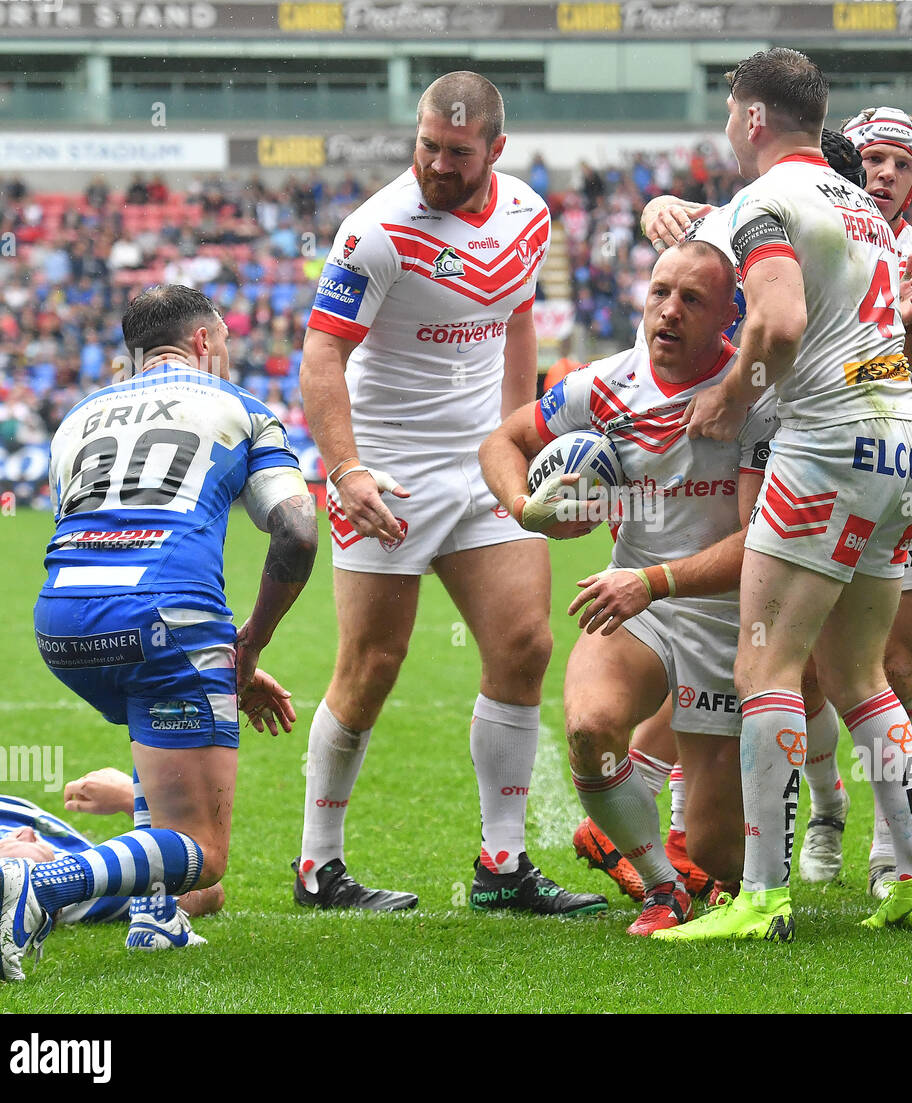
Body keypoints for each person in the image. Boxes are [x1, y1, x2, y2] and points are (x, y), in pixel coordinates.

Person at [659, 48, 912, 942]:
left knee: (766, 668)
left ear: (751, 119)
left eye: (729, 113)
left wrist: (730, 394)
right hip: (902, 445)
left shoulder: (766, 201)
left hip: (824, 444)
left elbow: (779, 320)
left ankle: (760, 895)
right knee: (862, 676)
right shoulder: (860, 204)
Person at [298, 71, 605, 916]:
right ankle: (318, 866)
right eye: (427, 145)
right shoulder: (376, 230)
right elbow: (321, 358)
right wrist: (347, 469)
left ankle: (502, 864)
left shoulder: (529, 215)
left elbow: (515, 316)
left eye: (456, 152)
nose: (436, 162)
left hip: (479, 468)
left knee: (524, 644)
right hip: (387, 470)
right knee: (371, 667)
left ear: (495, 150)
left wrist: (520, 438)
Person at [0, 284, 314, 982]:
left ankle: (156, 915)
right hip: (167, 614)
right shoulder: (241, 408)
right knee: (204, 851)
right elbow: (298, 531)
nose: (227, 356)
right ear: (202, 343)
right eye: (223, 343)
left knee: (155, 717)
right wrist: (243, 647)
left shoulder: (77, 416)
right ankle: (40, 884)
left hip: (62, 619)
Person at [571, 128, 869, 906]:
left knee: (837, 668)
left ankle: (835, 809)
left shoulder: (882, 250)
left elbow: (905, 358)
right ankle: (677, 829)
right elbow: (684, 228)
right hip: (784, 448)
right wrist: (663, 209)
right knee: (798, 663)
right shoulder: (763, 219)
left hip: (845, 448)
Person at [480, 240, 777, 935]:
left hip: (727, 615)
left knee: (719, 854)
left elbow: (758, 541)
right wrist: (528, 509)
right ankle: (661, 886)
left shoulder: (751, 396)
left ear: (729, 313)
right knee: (589, 726)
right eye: (658, 293)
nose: (668, 311)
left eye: (691, 299)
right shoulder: (605, 384)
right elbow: (501, 442)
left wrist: (654, 580)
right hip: (636, 601)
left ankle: (716, 851)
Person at [786, 107, 912, 894]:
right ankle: (826, 810)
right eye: (874, 159)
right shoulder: (811, 226)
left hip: (897, 472)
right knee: (804, 671)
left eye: (900, 164)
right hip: (806, 457)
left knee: (896, 666)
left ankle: (897, 851)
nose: (885, 173)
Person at [0, 768, 226, 944]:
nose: (27, 832)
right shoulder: (83, 895)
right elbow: (208, 886)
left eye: (8, 845)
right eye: (45, 853)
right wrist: (133, 800)